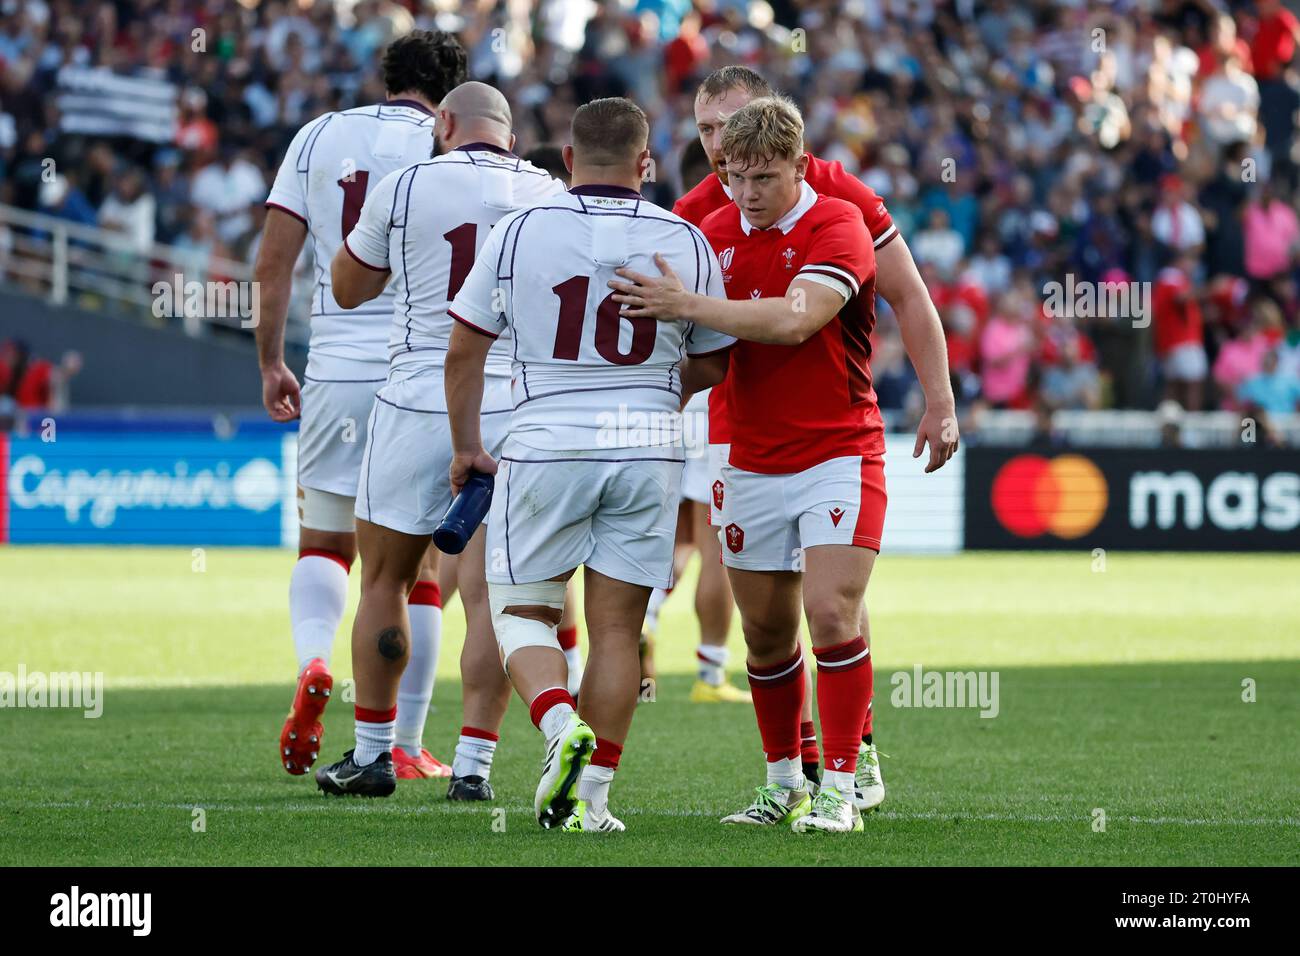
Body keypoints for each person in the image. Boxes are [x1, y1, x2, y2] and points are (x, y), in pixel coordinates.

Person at [611, 95, 949, 833]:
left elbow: (796, 319)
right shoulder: (709, 231)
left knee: (830, 612)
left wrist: (691, 303)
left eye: (764, 177)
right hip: (747, 455)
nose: (748, 193)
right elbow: (700, 354)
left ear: (800, 166)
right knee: (764, 635)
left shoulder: (838, 221)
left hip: (838, 449)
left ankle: (841, 785)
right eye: (736, 176)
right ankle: (782, 784)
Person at [444, 97, 733, 832]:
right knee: (616, 631)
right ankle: (593, 799)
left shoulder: (517, 233)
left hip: (547, 438)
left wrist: (466, 446)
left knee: (519, 613)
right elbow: (716, 362)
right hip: (646, 444)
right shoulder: (687, 239)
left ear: (567, 161)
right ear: (648, 164)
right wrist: (660, 393)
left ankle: (555, 723)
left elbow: (464, 350)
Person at [312, 83, 566, 798]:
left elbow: (350, 287)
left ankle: (371, 755)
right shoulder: (547, 190)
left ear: (444, 124)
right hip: (520, 402)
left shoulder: (404, 183)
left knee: (387, 579)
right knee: (498, 597)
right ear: (511, 137)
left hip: (419, 396)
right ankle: (475, 770)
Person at [253, 30, 467, 779]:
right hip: (420, 376)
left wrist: (272, 360)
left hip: (337, 368)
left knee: (324, 546)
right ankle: (404, 743)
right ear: (451, 93)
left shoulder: (318, 136)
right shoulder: (450, 151)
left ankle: (315, 662)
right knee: (418, 573)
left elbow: (274, 261)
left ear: (386, 78)